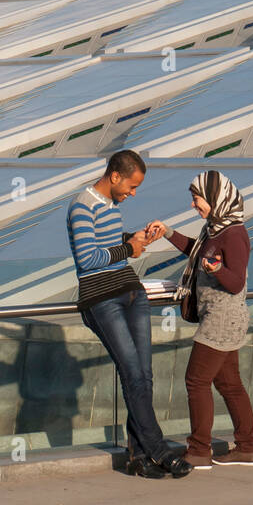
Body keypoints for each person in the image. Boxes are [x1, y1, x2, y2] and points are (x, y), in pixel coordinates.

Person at [66, 149, 191, 478]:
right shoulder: (82, 205)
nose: (132, 194)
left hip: (131, 292)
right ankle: (159, 449)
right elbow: (87, 259)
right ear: (115, 176)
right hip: (102, 298)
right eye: (131, 186)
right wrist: (129, 249)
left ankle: (139, 457)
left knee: (144, 376)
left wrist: (129, 238)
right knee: (133, 374)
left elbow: (105, 244)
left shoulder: (111, 205)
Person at [147, 170, 253, 468]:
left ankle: (199, 451)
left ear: (215, 198)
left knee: (196, 381)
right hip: (219, 316)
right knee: (230, 384)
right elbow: (197, 254)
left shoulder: (234, 234)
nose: (194, 205)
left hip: (222, 319)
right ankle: (247, 448)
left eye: (198, 199)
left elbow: (235, 282)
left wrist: (214, 269)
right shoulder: (215, 229)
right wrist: (168, 232)